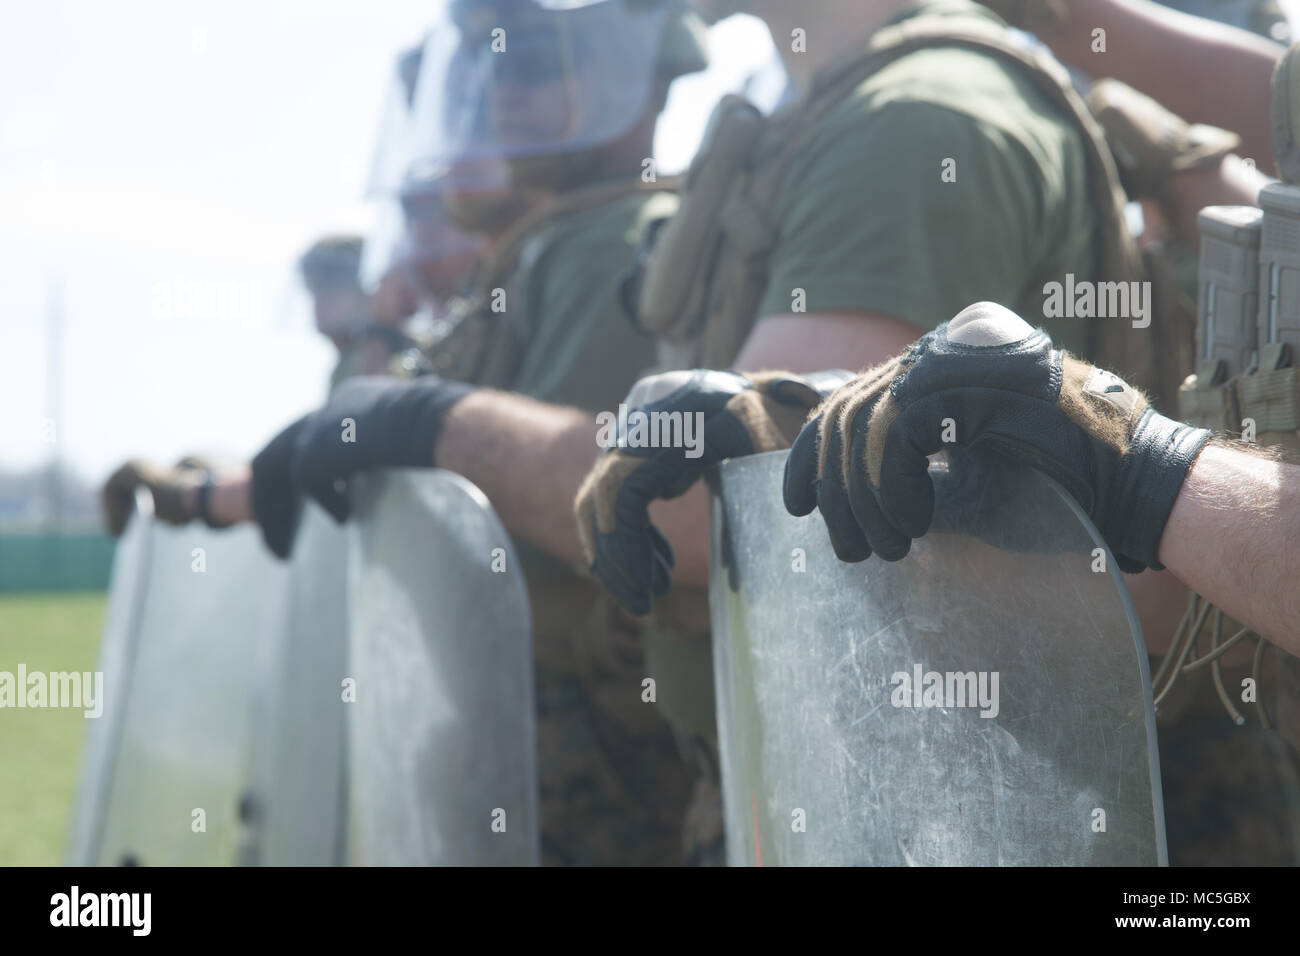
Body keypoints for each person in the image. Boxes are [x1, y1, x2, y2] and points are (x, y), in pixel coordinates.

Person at [106, 0, 712, 866]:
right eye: (487, 63)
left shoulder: (610, 243)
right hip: (514, 734)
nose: (501, 86)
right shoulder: (548, 246)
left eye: (533, 61)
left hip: (590, 761)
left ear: (634, 74)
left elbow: (583, 507)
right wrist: (207, 493)